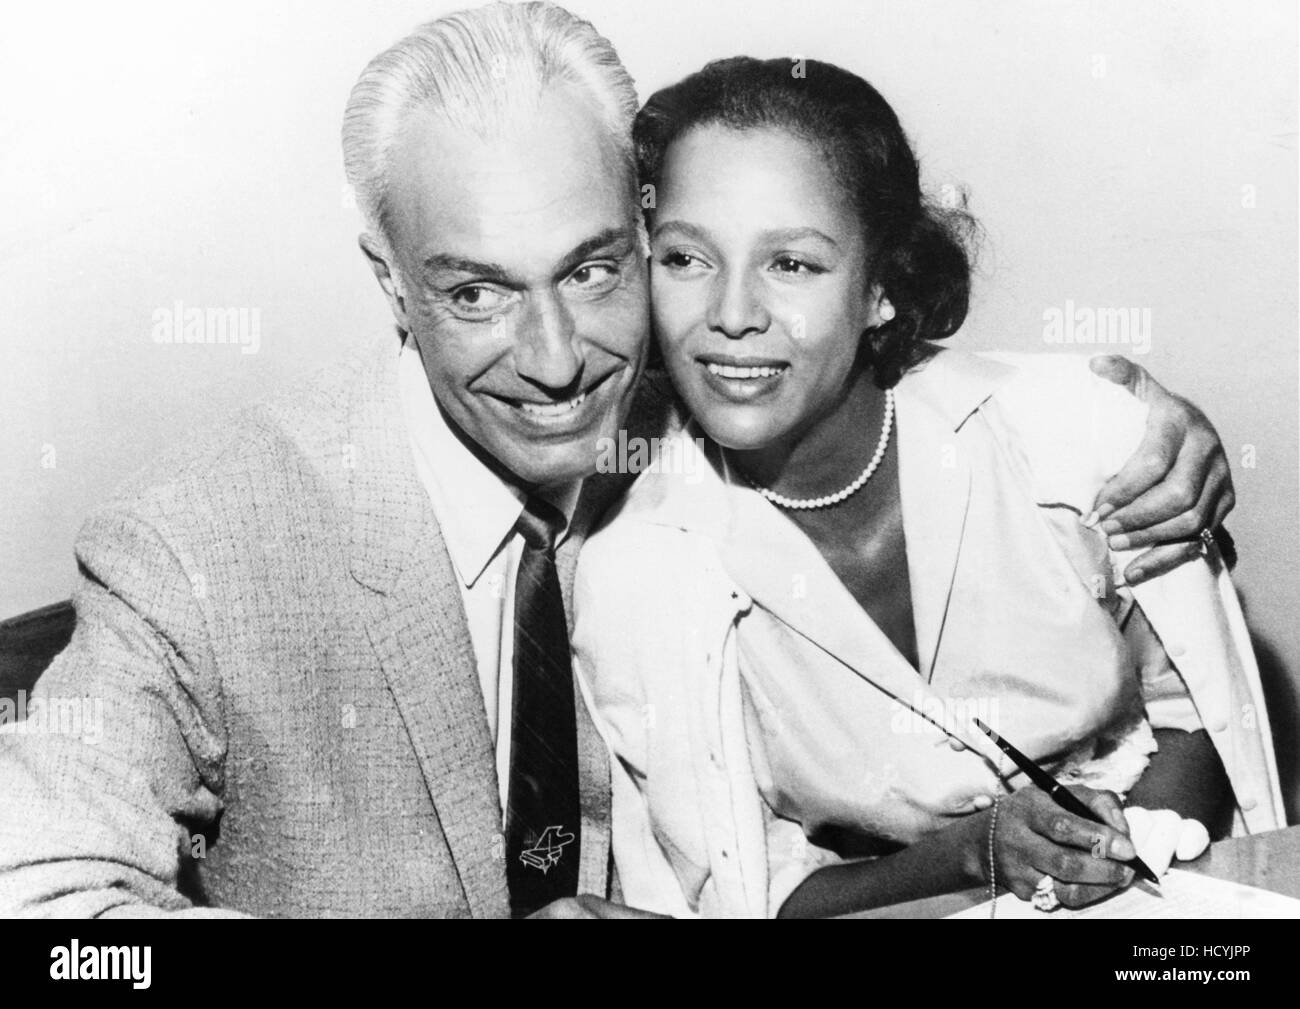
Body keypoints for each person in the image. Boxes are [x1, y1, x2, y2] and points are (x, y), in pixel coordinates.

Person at [0, 4, 1243, 918]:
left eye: (595, 269)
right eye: (477, 291)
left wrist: (1145, 426)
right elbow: (47, 914)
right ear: (389, 280)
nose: (555, 362)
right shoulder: (203, 542)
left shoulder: (704, 431)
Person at [571, 56, 1284, 919]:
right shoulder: (637, 572)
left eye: (791, 264)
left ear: (880, 287)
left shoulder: (1079, 441)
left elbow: (1200, 708)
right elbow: (754, 896)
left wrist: (1118, 859)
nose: (730, 314)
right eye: (686, 257)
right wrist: (970, 856)